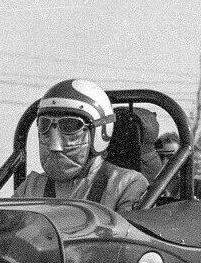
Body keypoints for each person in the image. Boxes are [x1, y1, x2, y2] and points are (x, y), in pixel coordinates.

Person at [16, 79, 148, 211]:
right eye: (45, 125)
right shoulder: (31, 187)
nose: (55, 145)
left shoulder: (126, 185)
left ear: (98, 131)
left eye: (69, 126)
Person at [153, 131, 201, 201]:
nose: (164, 162)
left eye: (170, 156)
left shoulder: (198, 188)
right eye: (160, 157)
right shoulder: (149, 187)